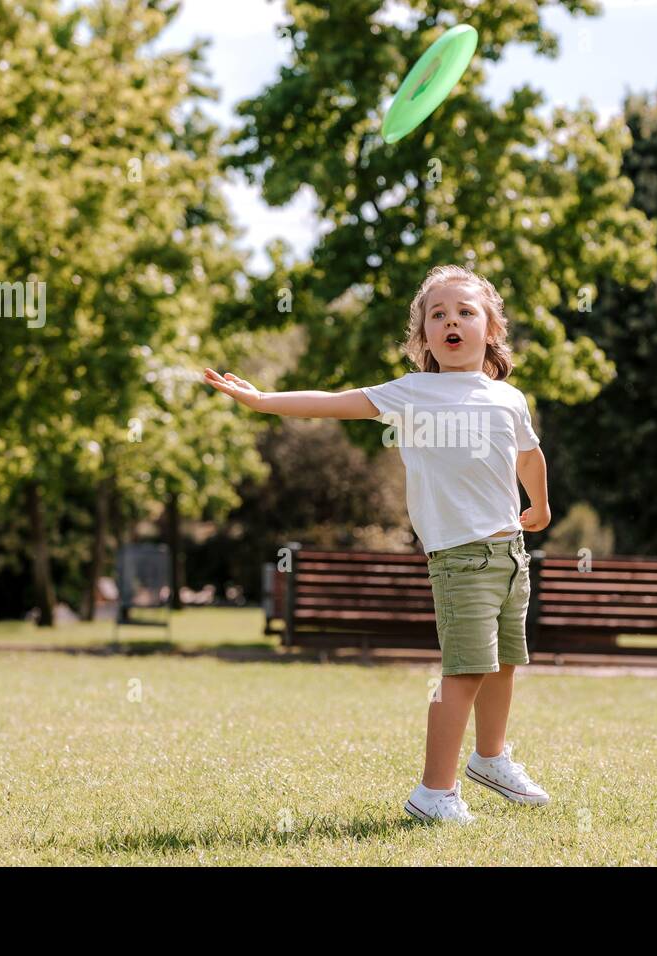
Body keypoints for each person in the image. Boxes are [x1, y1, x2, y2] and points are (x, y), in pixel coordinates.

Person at [205, 264, 551, 825]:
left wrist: (540, 505)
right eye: (437, 315)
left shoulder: (508, 398)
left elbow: (529, 453)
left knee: (504, 663)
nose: (451, 321)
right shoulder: (411, 392)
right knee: (463, 673)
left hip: (510, 555)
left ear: (490, 328)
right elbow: (332, 401)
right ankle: (433, 794)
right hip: (460, 559)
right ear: (423, 338)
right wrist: (265, 401)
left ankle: (490, 758)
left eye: (465, 311)